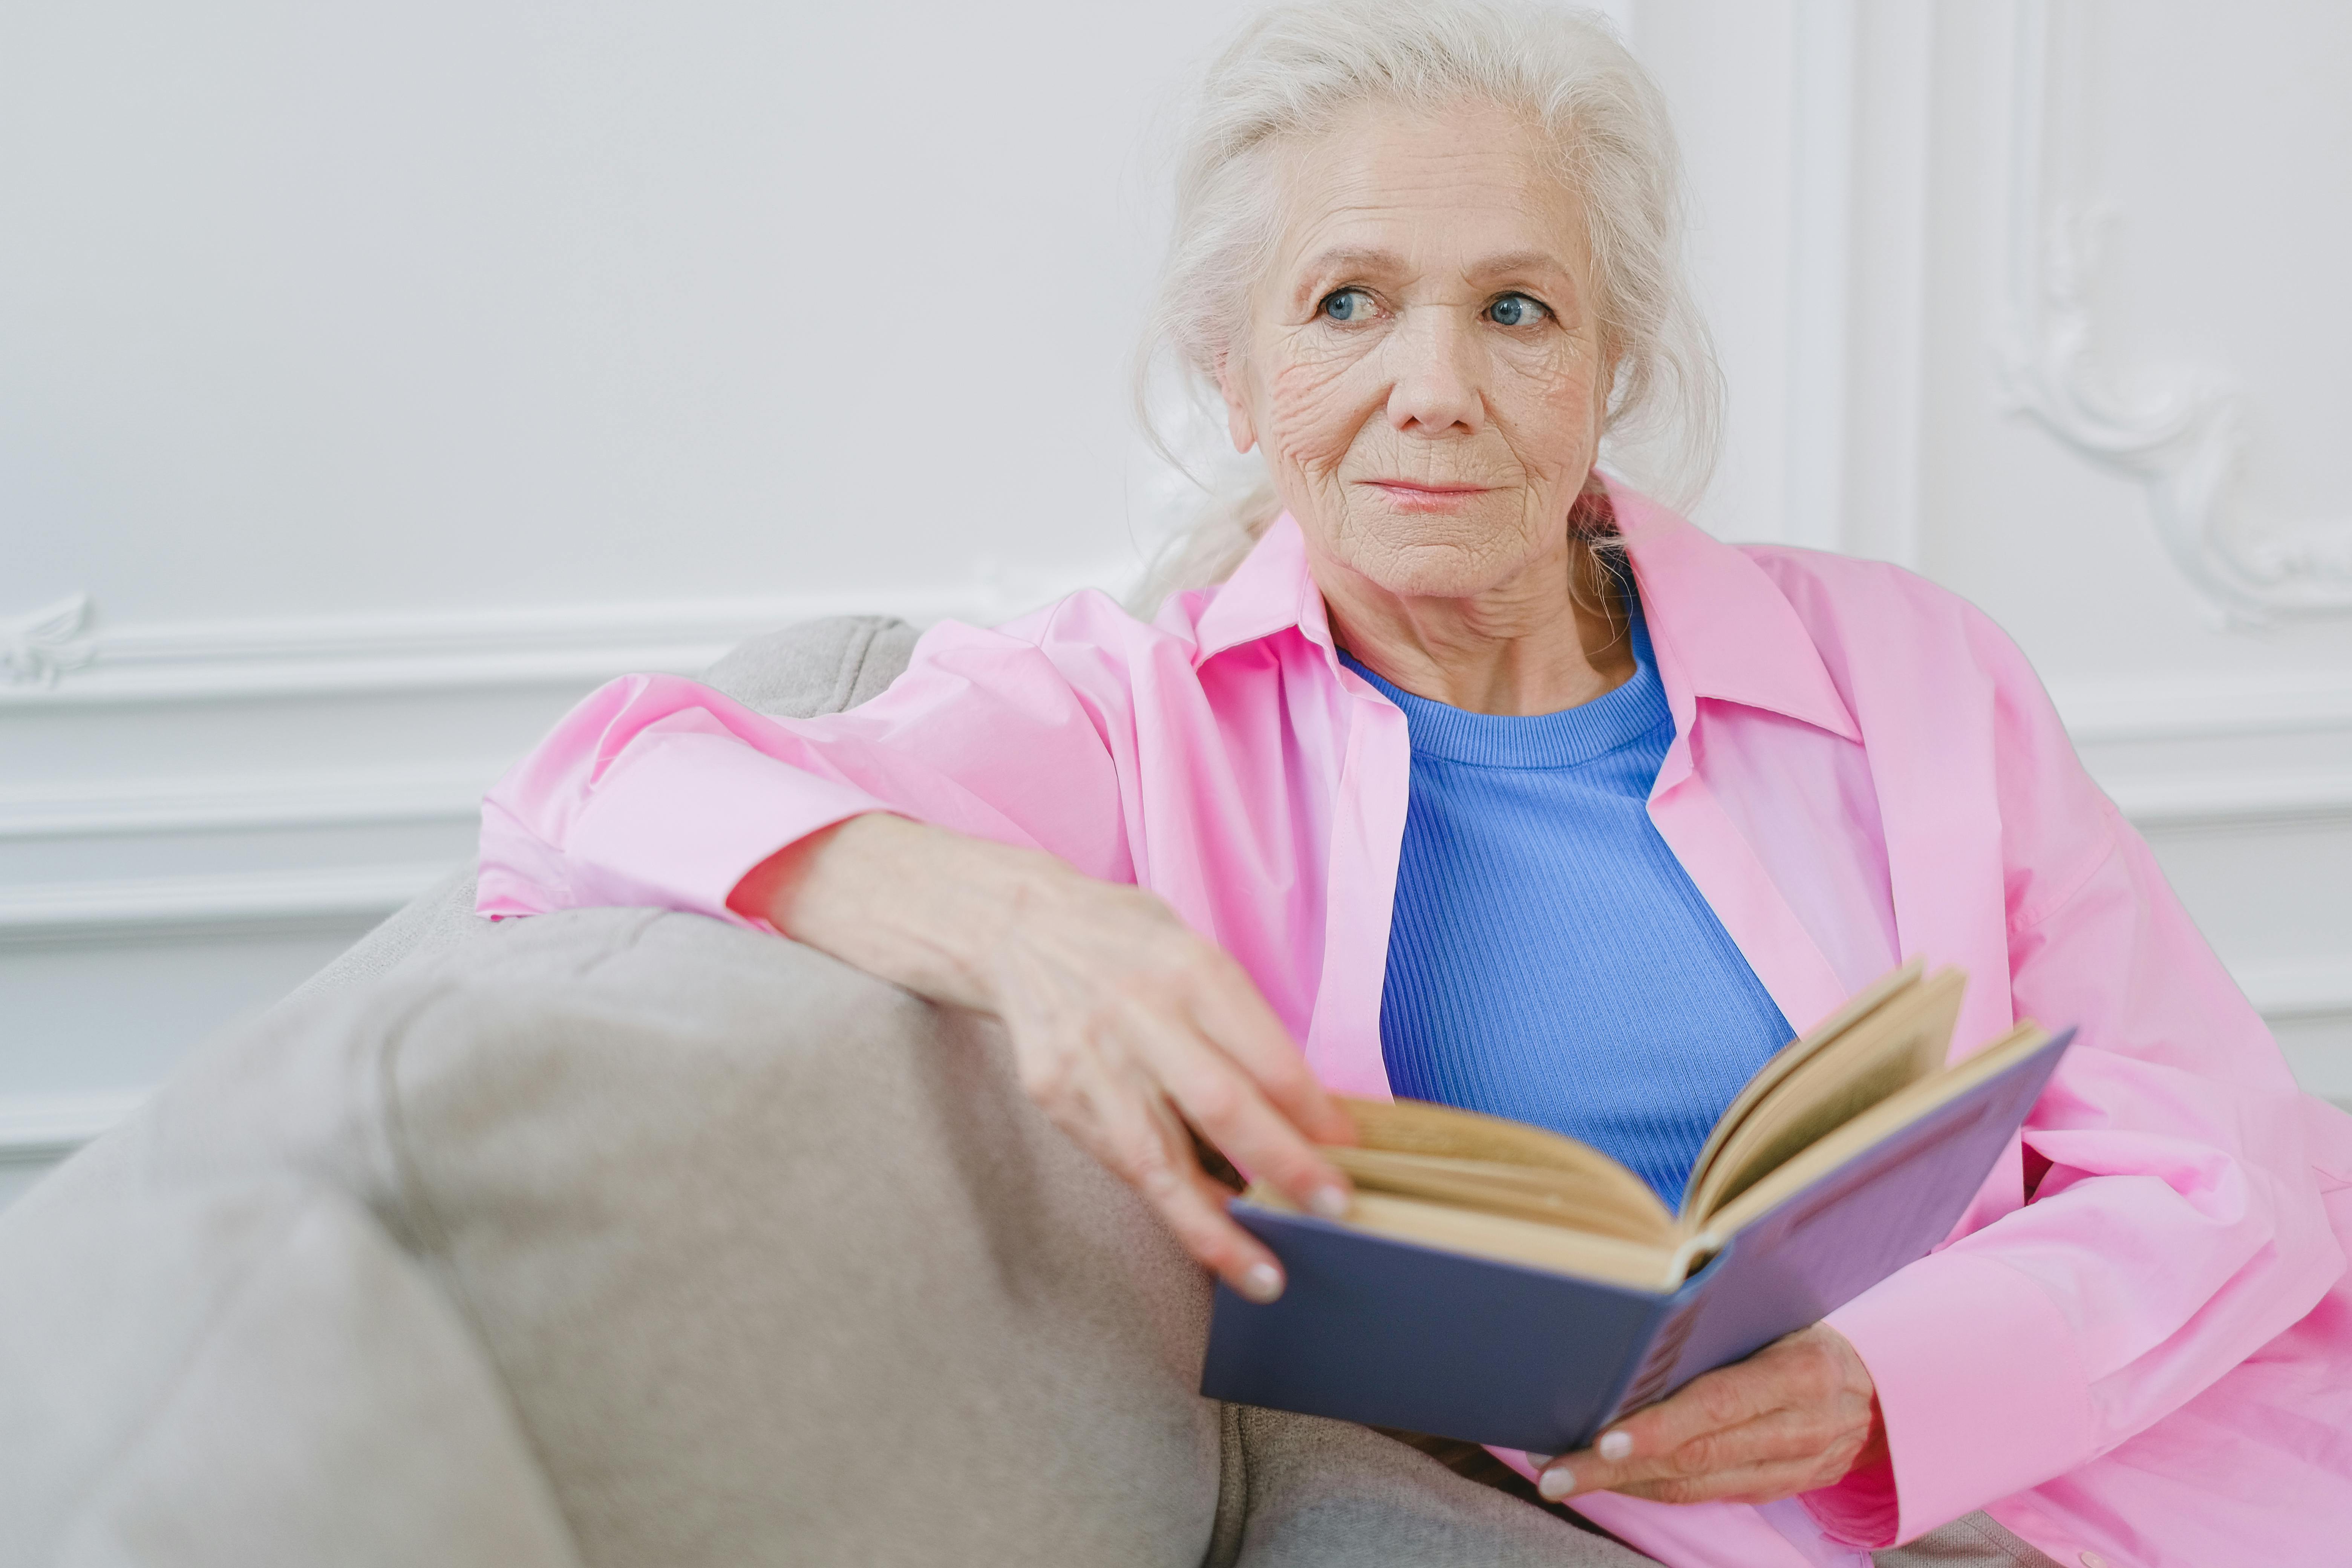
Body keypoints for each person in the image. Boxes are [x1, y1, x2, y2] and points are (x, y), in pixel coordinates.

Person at [475, 4, 2352, 1564]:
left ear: (1606, 367)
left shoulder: (1911, 664)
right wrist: (1021, 921)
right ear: (1236, 375)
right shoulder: (1134, 717)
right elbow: (588, 792)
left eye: (1516, 309)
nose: (1435, 385)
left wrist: (1887, 1382)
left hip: (2153, 1466)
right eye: (1349, 302)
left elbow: (2221, 1149)